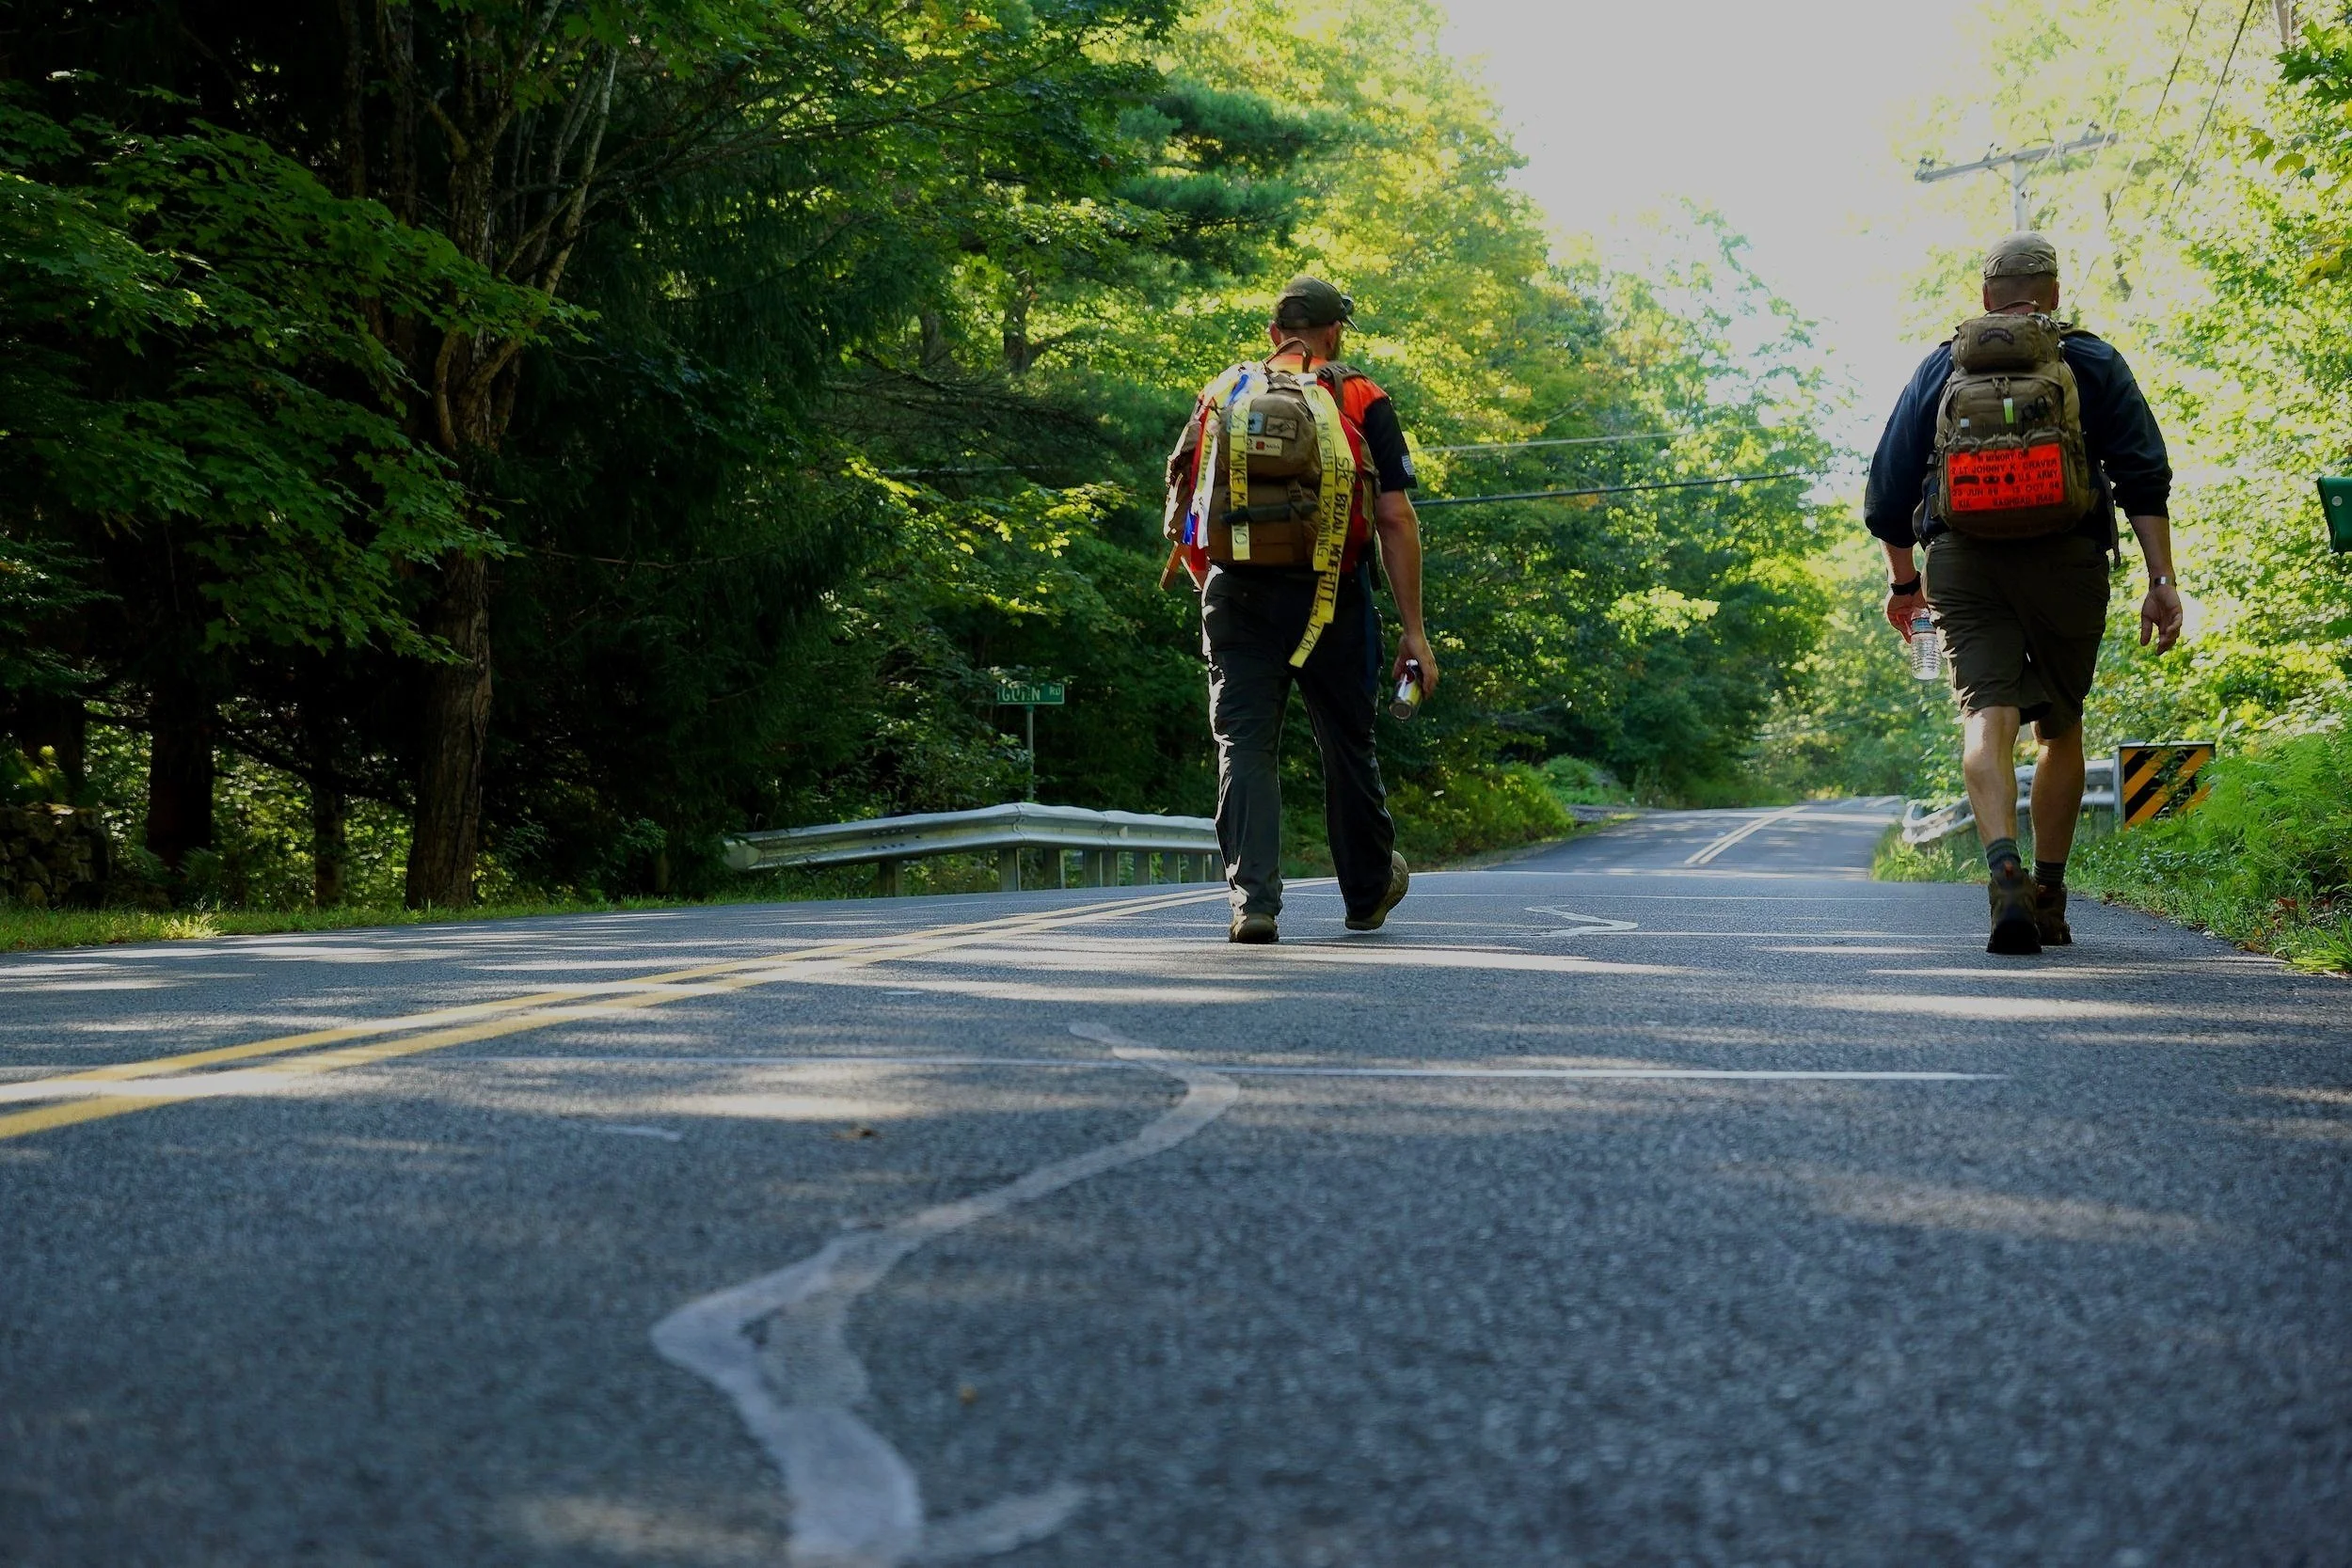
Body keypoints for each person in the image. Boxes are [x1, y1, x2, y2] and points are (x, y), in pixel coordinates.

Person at [1865, 231, 2184, 955]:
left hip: (1964, 564)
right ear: (2056, 295)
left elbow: (1886, 496)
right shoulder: (2092, 360)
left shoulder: (1938, 368)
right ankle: (2048, 890)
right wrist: (2161, 581)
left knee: (1988, 715)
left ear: (1984, 298)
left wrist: (1905, 584)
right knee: (2060, 729)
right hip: (2068, 560)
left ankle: (2001, 862)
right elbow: (2144, 474)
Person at [1164, 275, 1438, 943]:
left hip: (1237, 593)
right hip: (1331, 596)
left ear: (1272, 333)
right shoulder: (1361, 394)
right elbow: (1395, 517)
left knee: (1245, 744)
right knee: (1346, 743)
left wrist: (1218, 587)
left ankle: (1253, 902)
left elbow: (1185, 513)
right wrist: (1414, 631)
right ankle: (1367, 893)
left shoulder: (1222, 392)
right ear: (1334, 333)